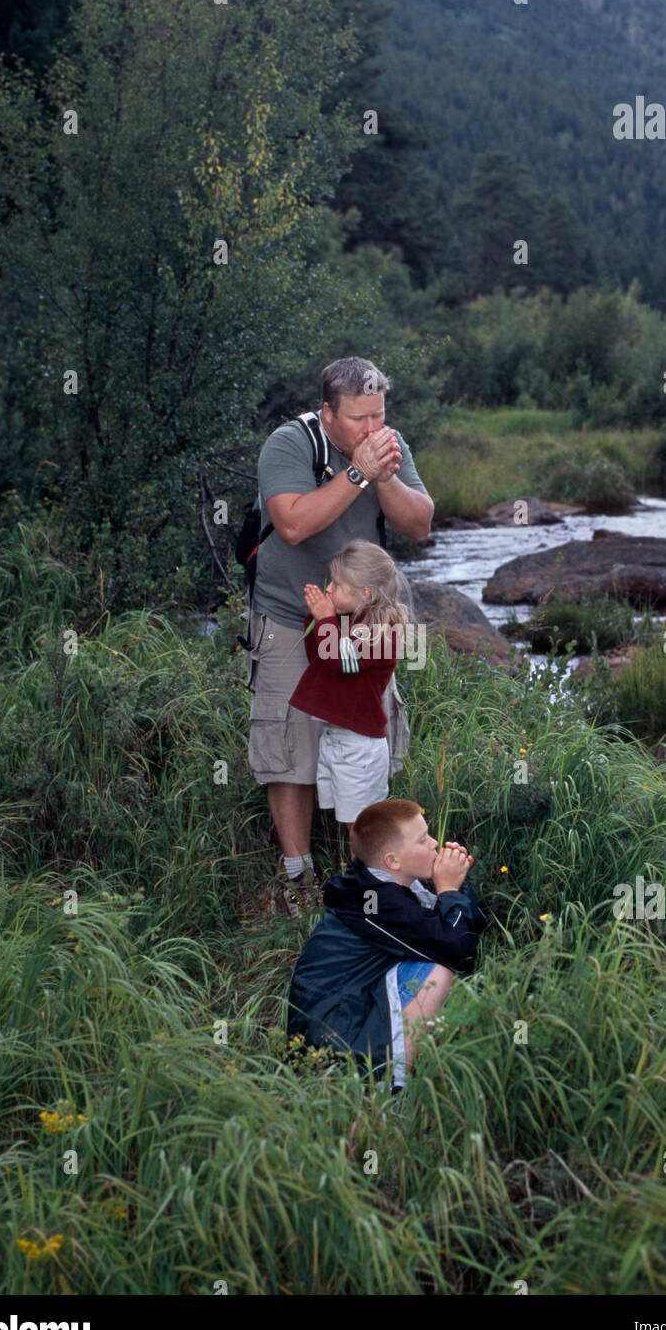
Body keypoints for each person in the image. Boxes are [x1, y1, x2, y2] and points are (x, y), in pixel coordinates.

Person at [246, 357, 434, 909]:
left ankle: (368, 881)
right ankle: (296, 874)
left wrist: (386, 474)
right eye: (359, 419)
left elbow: (420, 524)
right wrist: (356, 472)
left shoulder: (387, 446)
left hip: (367, 623)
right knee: (290, 742)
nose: (373, 430)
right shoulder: (289, 444)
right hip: (287, 617)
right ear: (328, 413)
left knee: (364, 734)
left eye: (380, 415)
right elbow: (294, 523)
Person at [286, 799, 487, 1093]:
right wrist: (449, 889)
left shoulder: (383, 882)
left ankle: (418, 1057)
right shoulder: (374, 902)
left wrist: (453, 888)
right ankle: (391, 1084)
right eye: (422, 840)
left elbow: (465, 931)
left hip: (354, 1002)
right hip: (330, 1039)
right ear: (393, 861)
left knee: (438, 963)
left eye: (428, 834)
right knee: (441, 972)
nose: (434, 844)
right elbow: (460, 953)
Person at [289, 540, 412, 833]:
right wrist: (321, 621)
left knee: (363, 827)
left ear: (364, 593)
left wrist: (326, 620)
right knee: (349, 823)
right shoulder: (349, 622)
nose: (329, 588)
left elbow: (342, 661)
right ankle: (357, 875)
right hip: (335, 739)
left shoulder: (384, 633)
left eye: (338, 584)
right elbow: (319, 659)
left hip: (359, 747)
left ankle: (369, 876)